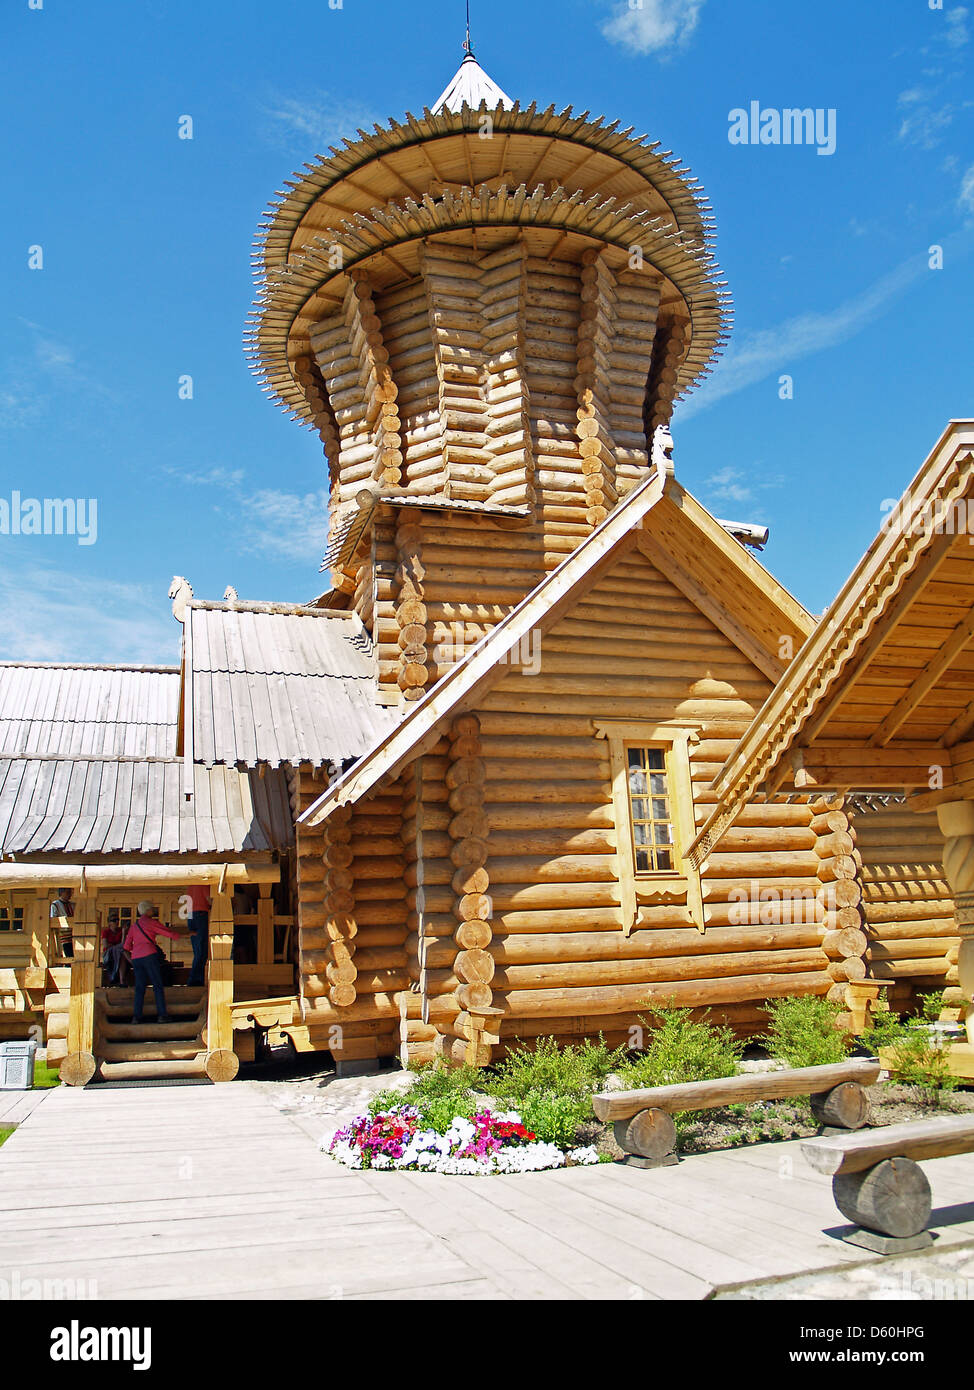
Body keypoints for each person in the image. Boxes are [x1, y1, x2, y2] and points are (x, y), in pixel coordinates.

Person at [123, 901, 186, 1025]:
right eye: (152, 909)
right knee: (157, 985)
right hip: (149, 956)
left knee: (140, 988)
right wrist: (186, 935)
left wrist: (132, 960)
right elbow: (168, 933)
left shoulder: (134, 926)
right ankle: (162, 1015)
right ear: (147, 910)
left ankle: (136, 1017)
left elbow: (126, 946)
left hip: (136, 958)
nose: (153, 911)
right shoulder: (151, 922)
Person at [185, 884, 210, 987]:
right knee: (202, 951)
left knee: (197, 950)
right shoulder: (203, 883)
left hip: (191, 916)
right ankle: (195, 981)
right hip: (201, 915)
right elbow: (209, 899)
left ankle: (196, 979)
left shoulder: (191, 885)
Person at [100, 909, 129, 986]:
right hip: (108, 954)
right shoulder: (106, 932)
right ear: (109, 923)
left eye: (117, 920)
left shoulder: (120, 930)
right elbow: (106, 945)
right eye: (114, 920)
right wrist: (117, 946)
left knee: (122, 954)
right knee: (120, 950)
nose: (116, 922)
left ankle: (122, 981)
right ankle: (133, 962)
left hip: (120, 953)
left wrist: (123, 934)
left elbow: (124, 944)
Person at [50, 887, 74, 960]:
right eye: (67, 892)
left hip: (73, 934)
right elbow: (53, 919)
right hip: (62, 934)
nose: (70, 895)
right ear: (61, 893)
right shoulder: (55, 905)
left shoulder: (72, 905)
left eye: (70, 893)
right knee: (67, 953)